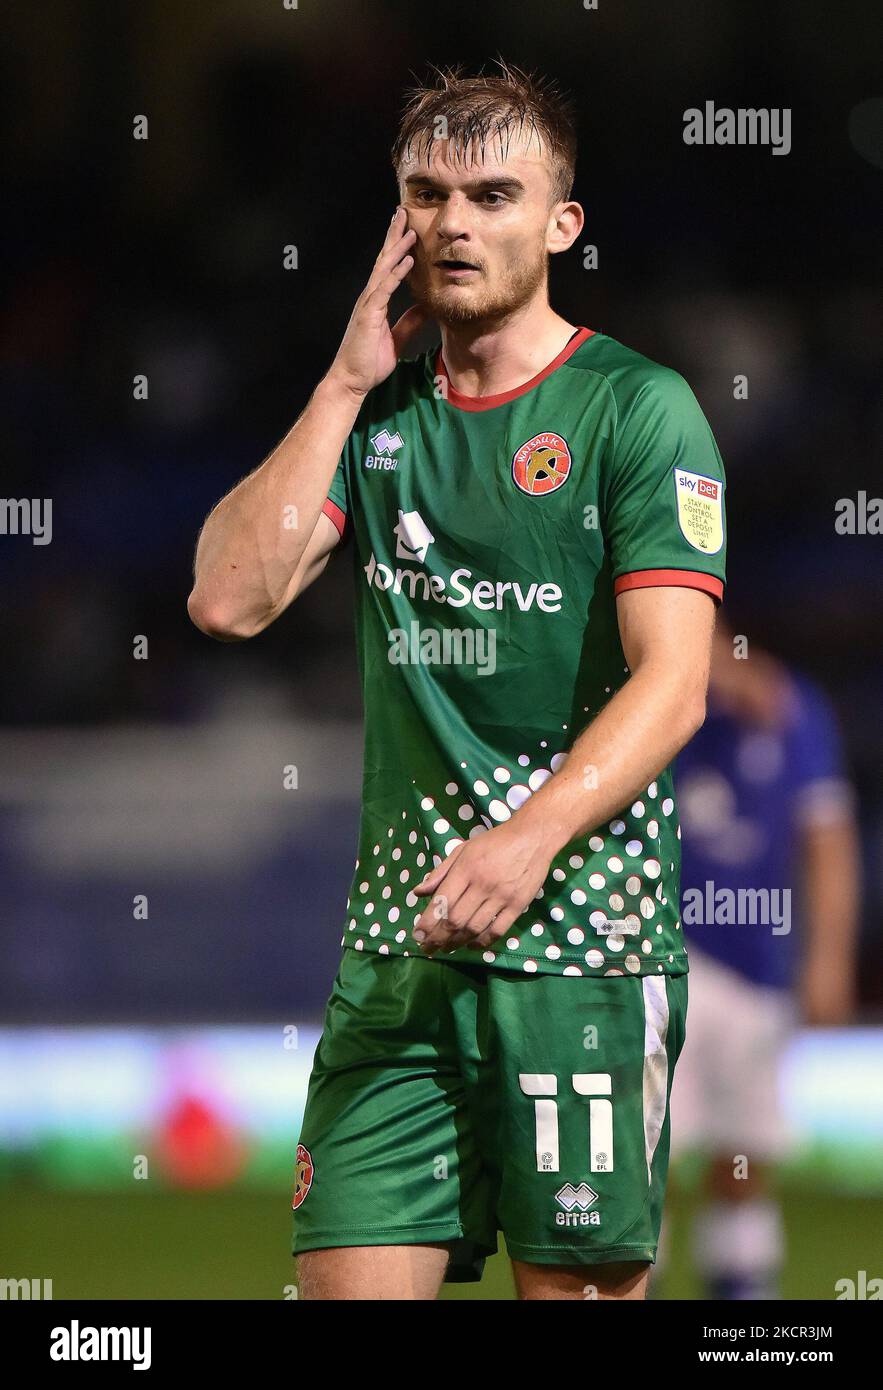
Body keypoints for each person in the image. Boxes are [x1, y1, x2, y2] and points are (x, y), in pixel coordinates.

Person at [188, 59, 728, 1301]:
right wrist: (339, 382)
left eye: (494, 192)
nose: (456, 222)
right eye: (427, 194)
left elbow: (675, 685)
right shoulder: (376, 422)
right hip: (400, 959)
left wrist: (526, 840)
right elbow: (226, 597)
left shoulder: (638, 411)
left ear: (560, 222)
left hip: (581, 952)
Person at [665, 622, 859, 1299]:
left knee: (744, 1158)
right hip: (668, 959)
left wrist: (827, 958)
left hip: (757, 966)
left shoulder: (794, 708)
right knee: (647, 1157)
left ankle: (744, 1305)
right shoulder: (663, 701)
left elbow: (827, 836)